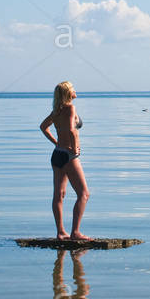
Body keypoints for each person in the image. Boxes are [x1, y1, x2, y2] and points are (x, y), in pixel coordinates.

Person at [39, 81, 91, 241]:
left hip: (57, 154)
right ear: (68, 93)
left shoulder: (57, 110)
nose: (76, 90)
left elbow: (43, 127)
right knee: (84, 194)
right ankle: (75, 232)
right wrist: (75, 148)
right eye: (73, 88)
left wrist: (56, 143)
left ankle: (61, 232)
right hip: (69, 155)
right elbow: (71, 129)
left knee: (59, 195)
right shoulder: (70, 108)